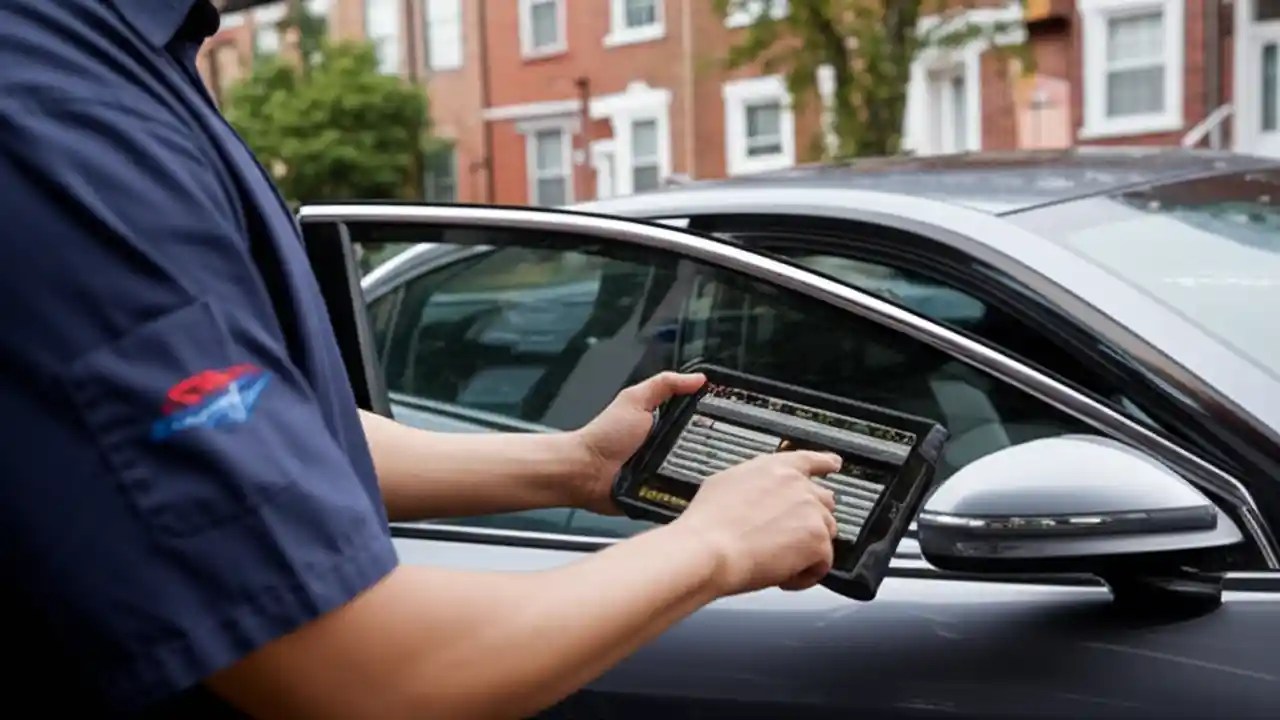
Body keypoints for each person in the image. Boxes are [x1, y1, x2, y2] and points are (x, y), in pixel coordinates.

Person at [0, 1, 841, 717]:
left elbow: (267, 440)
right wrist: (717, 547)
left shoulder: (110, 69)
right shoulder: (59, 116)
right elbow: (362, 672)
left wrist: (577, 465)